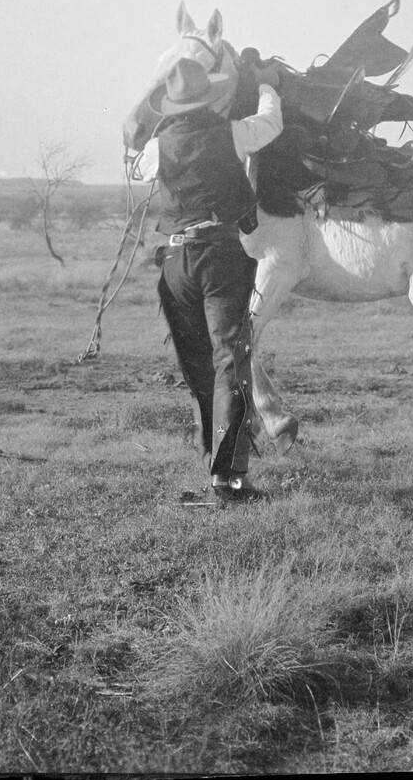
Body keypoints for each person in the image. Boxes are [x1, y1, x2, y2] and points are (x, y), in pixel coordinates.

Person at [139, 42, 284, 505]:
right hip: (220, 258)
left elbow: (139, 163)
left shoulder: (156, 148)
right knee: (230, 364)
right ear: (208, 99)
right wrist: (266, 86)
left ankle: (212, 463)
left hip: (176, 263)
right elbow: (272, 124)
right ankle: (229, 480)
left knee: (198, 366)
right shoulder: (233, 133)